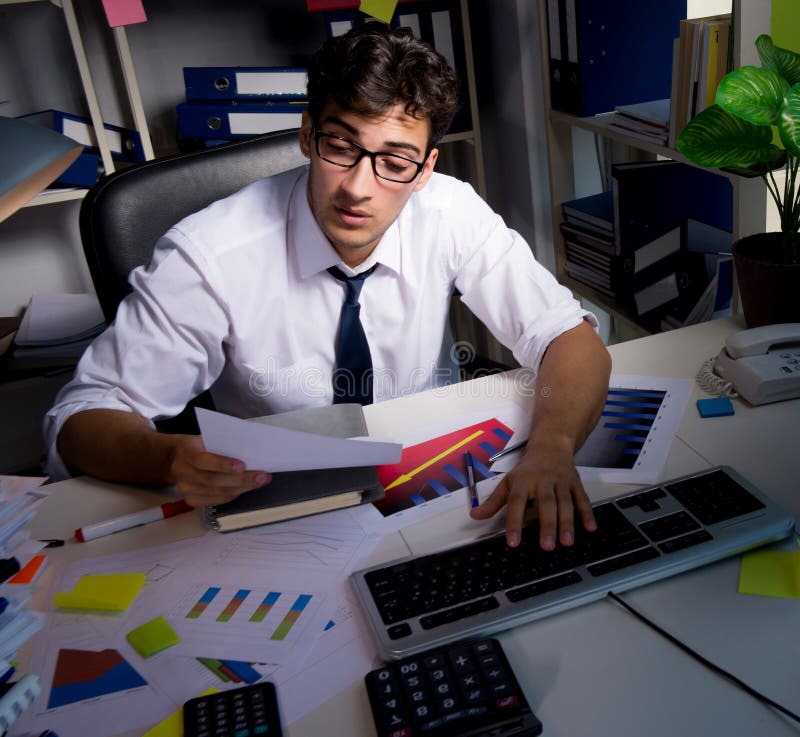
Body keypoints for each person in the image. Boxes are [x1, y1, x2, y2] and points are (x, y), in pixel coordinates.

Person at [44, 23, 611, 551]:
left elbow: (568, 338)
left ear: (425, 169)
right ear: (306, 134)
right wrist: (166, 457)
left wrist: (553, 447)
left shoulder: (450, 211)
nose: (359, 188)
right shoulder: (209, 254)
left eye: (396, 162)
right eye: (340, 146)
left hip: (432, 480)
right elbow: (81, 419)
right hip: (279, 503)